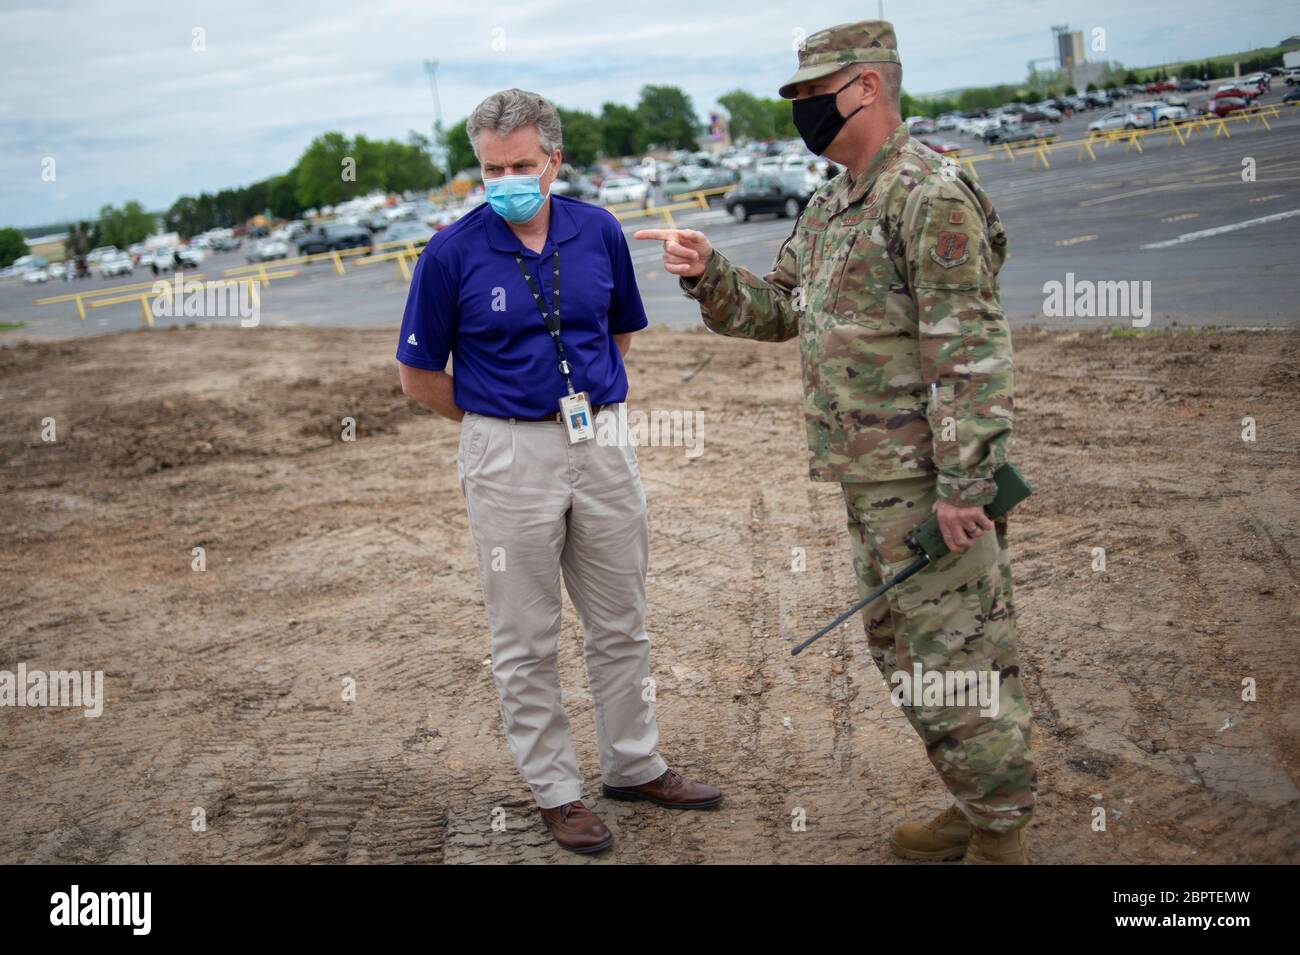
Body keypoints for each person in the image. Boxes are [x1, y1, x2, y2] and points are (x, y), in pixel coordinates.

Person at [636, 20, 1036, 864]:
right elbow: (782, 310)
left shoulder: (926, 193)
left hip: (931, 480)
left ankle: (1002, 833)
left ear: (865, 87)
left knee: (962, 653)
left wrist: (966, 481)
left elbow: (967, 349)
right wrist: (707, 270)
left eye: (813, 95)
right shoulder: (833, 199)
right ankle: (976, 799)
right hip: (870, 479)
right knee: (903, 647)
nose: (804, 111)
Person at [396, 88, 721, 855]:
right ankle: (556, 790)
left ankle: (634, 763)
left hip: (603, 441)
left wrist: (580, 414)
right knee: (524, 634)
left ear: (554, 160)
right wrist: (501, 421)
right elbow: (417, 377)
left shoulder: (597, 230)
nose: (505, 178)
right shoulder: (450, 253)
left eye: (520, 164)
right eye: (490, 167)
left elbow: (619, 337)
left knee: (621, 619)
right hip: (507, 453)